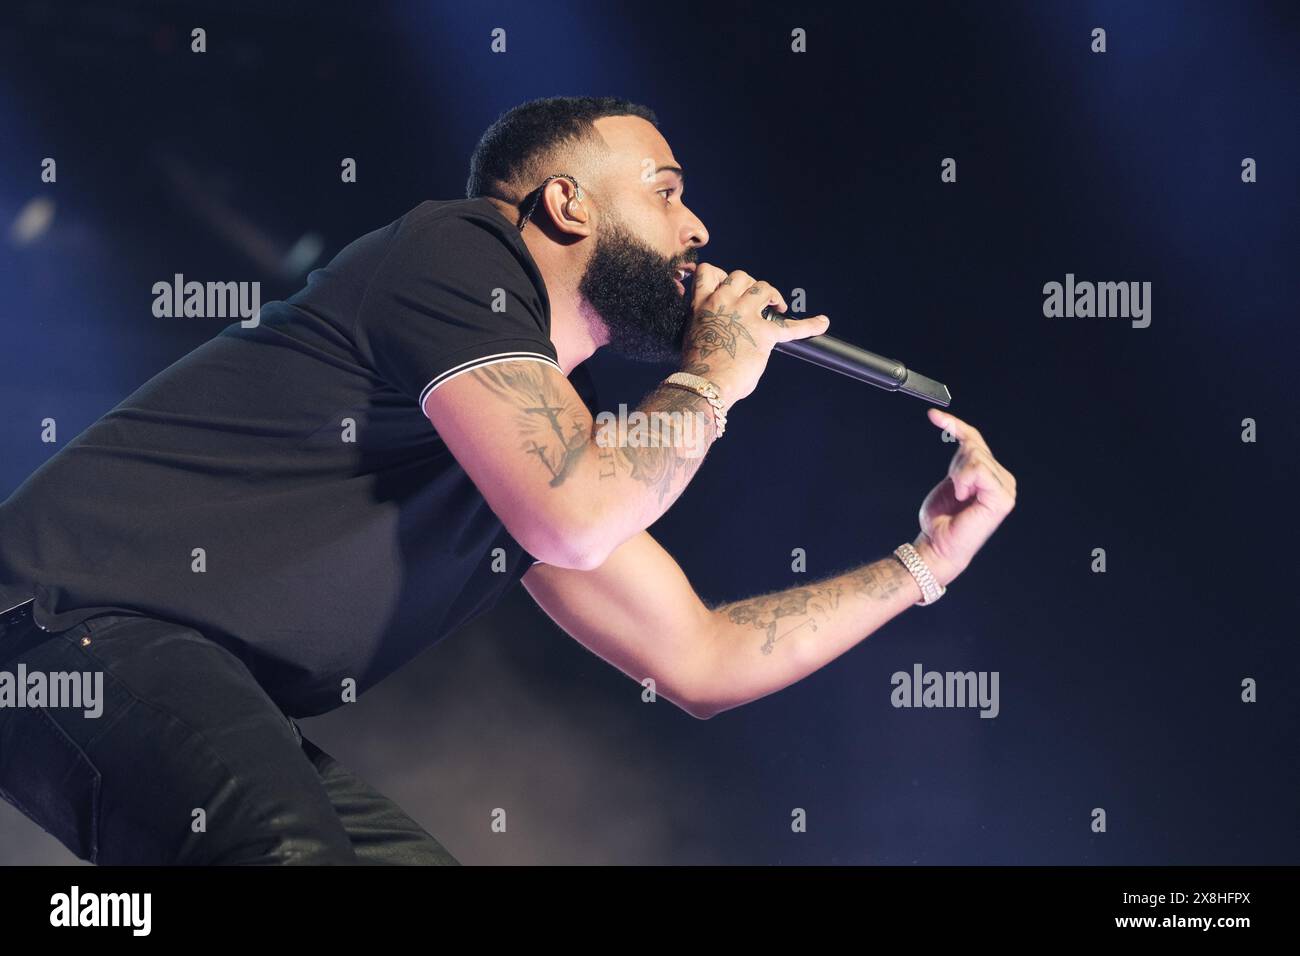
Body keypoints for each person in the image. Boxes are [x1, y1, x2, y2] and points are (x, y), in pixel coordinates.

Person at [0, 95, 1016, 865]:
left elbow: (699, 658)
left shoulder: (547, 442)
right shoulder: (454, 250)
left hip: (190, 678)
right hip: (64, 621)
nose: (697, 226)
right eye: (665, 189)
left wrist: (925, 560)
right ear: (564, 204)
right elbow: (573, 518)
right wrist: (710, 374)